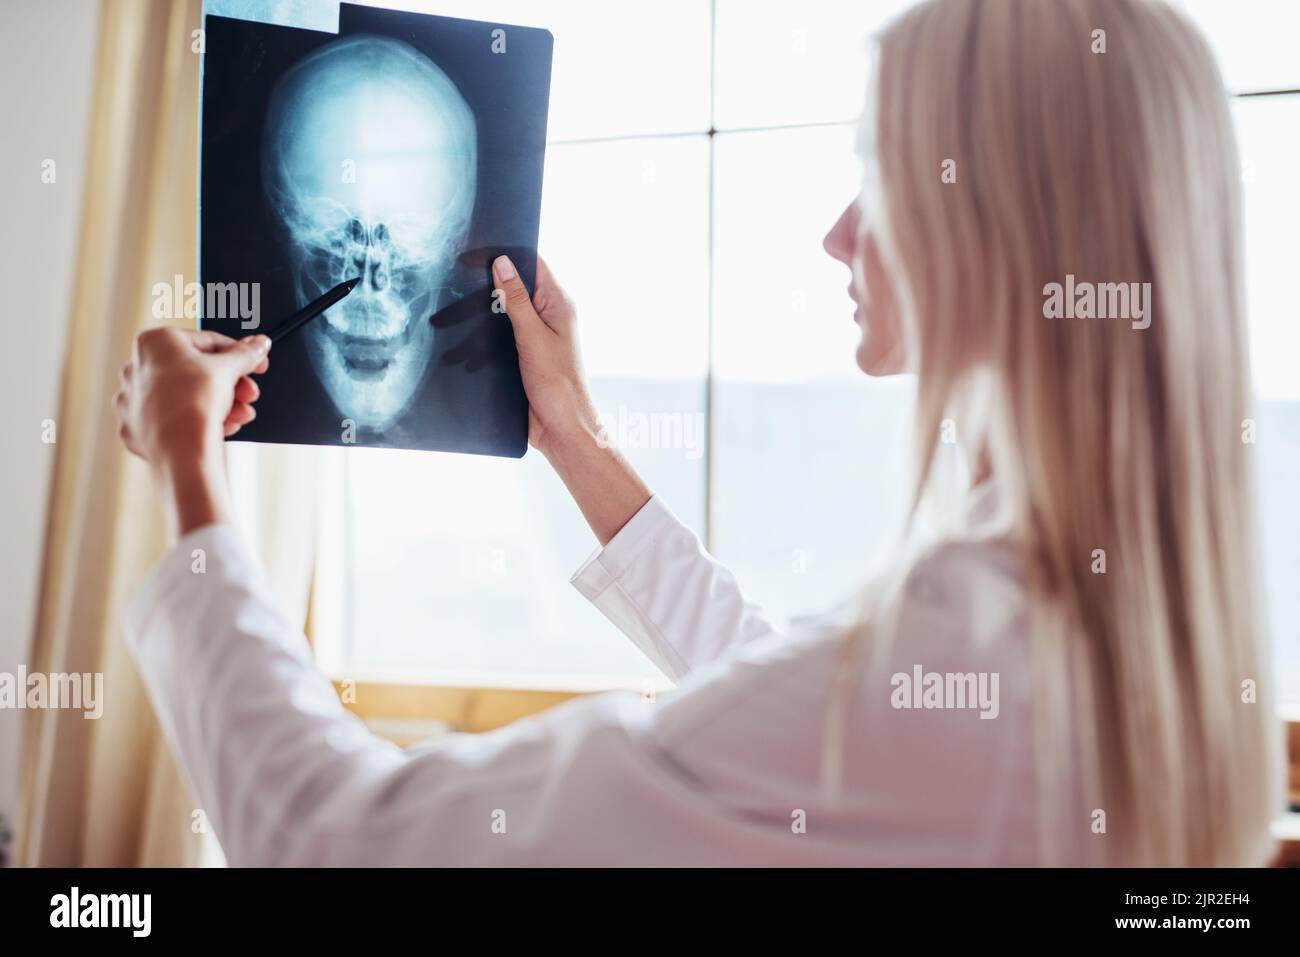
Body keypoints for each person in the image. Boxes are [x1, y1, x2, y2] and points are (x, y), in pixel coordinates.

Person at [115, 0, 1281, 866]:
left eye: (882, 172)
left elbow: (335, 842)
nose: (835, 235)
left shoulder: (972, 644)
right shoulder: (1133, 633)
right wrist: (570, 434)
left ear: (1010, 224)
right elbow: (821, 731)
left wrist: (186, 471)